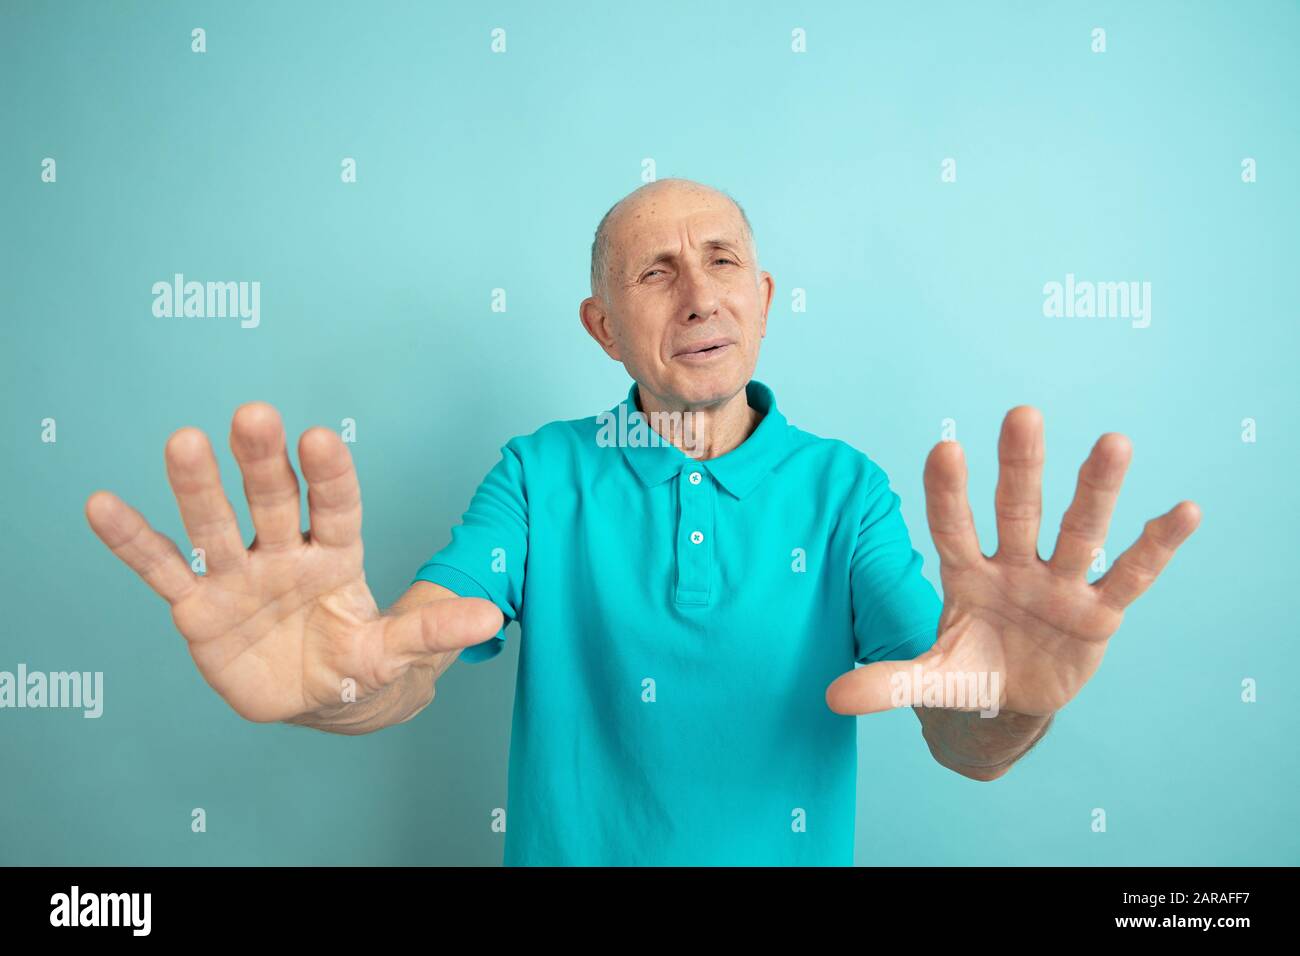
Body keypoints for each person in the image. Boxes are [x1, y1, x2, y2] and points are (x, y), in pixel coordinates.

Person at [85, 178, 1201, 865]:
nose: (699, 294)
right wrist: (332, 678)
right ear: (602, 324)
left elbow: (953, 721)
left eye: (723, 263)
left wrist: (1009, 705)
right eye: (654, 273)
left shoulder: (845, 490)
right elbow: (409, 652)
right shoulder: (538, 471)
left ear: (764, 297)